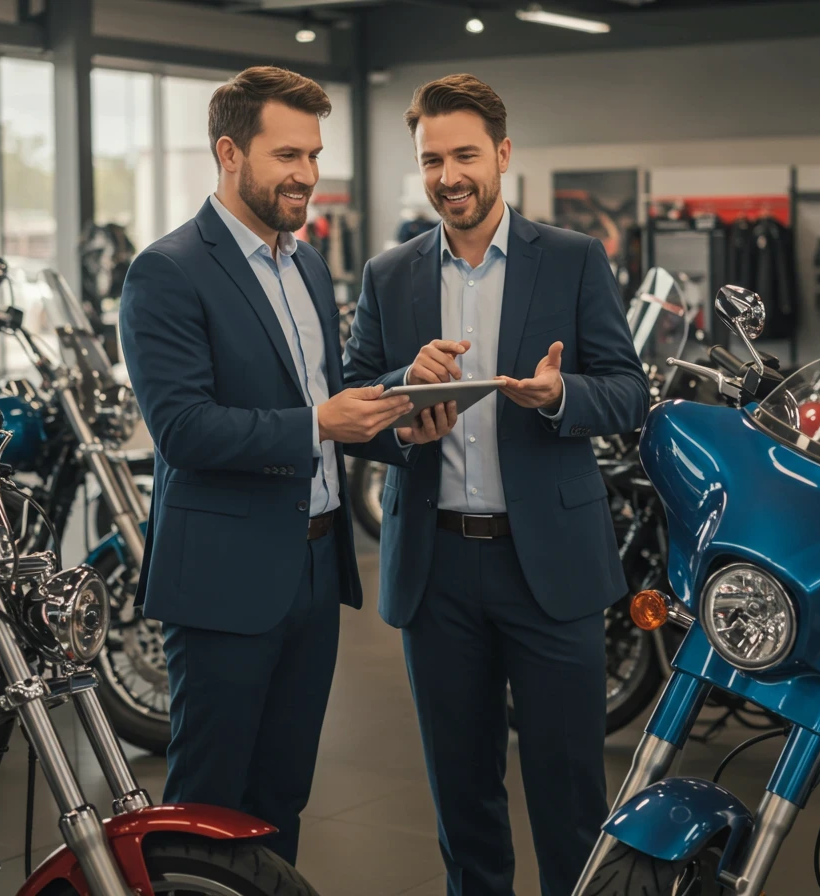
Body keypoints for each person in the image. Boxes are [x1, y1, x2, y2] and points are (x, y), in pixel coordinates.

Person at [342, 74, 649, 896]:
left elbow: (628, 389)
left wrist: (560, 399)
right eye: (433, 158)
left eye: (466, 154)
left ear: (504, 155)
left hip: (548, 567)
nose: (450, 175)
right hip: (436, 571)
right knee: (462, 802)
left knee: (570, 797)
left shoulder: (576, 260)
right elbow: (355, 403)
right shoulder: (388, 273)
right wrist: (406, 402)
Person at [118, 66, 413, 866]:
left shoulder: (308, 264)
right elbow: (184, 430)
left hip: (314, 568)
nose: (308, 176)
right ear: (228, 152)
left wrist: (405, 401)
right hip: (223, 581)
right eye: (288, 155)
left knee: (284, 795)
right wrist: (322, 420)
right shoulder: (168, 271)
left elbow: (328, 397)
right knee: (208, 803)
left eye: (314, 155)